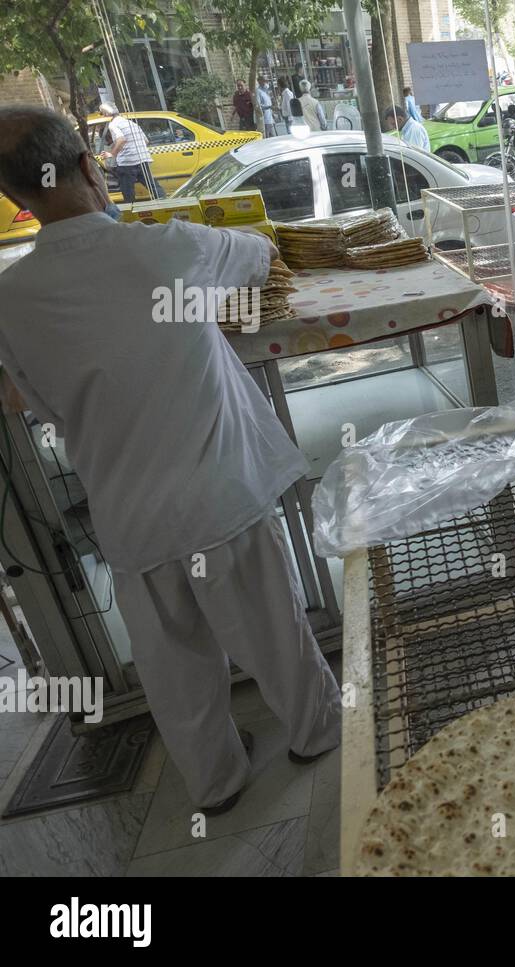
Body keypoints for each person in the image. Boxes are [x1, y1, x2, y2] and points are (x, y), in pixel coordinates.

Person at [0, 106, 341, 814]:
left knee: (175, 668)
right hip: (218, 501)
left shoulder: (10, 299)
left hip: (129, 520)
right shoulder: (166, 249)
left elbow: (27, 399)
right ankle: (315, 732)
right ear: (93, 167)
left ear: (15, 198)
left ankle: (216, 782)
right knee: (276, 636)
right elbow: (256, 253)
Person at [97, 104, 160, 202]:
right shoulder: (132, 123)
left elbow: (121, 140)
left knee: (128, 192)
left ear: (106, 113)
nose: (102, 115)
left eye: (101, 113)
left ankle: (132, 213)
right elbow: (146, 141)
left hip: (127, 163)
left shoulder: (113, 124)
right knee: (153, 186)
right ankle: (167, 205)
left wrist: (111, 154)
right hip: (142, 160)